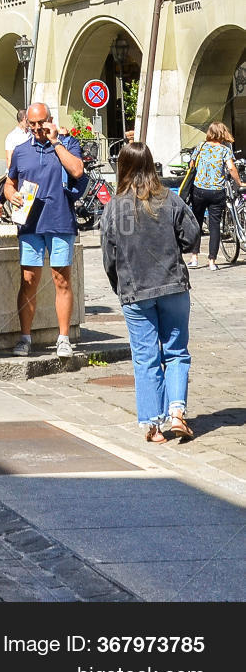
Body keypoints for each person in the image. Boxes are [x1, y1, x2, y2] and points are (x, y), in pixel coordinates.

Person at [102, 141, 200, 442]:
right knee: (176, 352)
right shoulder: (168, 199)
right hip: (172, 285)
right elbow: (192, 234)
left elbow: (109, 255)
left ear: (123, 168)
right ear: (151, 165)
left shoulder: (115, 207)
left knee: (145, 358)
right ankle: (177, 412)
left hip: (135, 290)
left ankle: (153, 426)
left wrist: (119, 285)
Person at [2, 102, 86, 359]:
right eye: (33, 123)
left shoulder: (68, 144)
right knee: (29, 280)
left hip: (60, 221)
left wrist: (56, 142)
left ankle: (63, 338)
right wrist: (12, 195)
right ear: (27, 123)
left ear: (50, 120)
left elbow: (77, 170)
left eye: (42, 122)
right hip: (30, 223)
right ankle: (25, 337)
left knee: (62, 279)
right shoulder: (20, 151)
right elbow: (9, 183)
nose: (38, 128)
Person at [181, 122, 242, 271]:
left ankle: (194, 258)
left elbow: (191, 165)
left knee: (197, 222)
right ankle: (212, 262)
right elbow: (231, 168)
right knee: (215, 226)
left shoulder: (201, 146)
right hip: (217, 191)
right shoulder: (225, 150)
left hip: (199, 190)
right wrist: (239, 182)